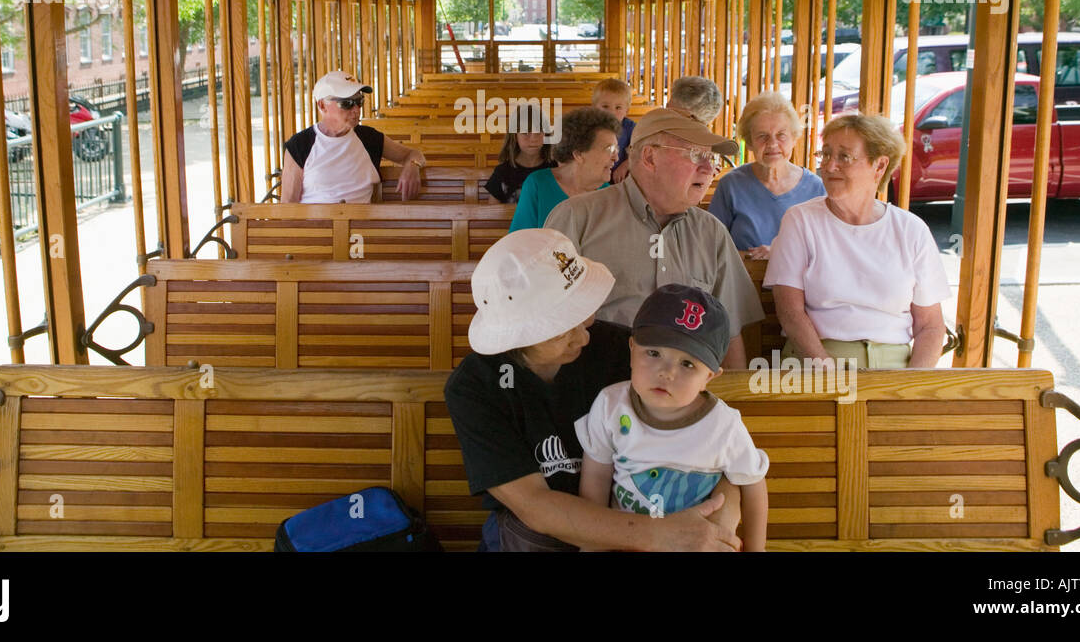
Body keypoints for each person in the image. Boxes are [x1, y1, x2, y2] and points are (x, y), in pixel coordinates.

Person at [443, 228, 743, 552]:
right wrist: (661, 536)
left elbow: (715, 442)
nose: (584, 337)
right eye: (562, 330)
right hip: (536, 540)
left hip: (642, 522)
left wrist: (718, 528)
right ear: (518, 336)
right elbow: (534, 505)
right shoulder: (476, 387)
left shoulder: (626, 352)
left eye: (583, 317)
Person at [545, 108, 763, 368]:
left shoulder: (712, 233)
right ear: (650, 157)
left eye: (712, 157)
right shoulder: (577, 217)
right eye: (697, 155)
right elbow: (546, 324)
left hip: (684, 392)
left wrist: (730, 402)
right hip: (594, 387)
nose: (710, 169)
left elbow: (729, 332)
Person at [576, 284, 769, 550]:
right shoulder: (610, 406)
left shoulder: (723, 425)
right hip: (627, 542)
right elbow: (596, 479)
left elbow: (753, 485)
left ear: (709, 377)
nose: (666, 372)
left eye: (687, 364)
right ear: (632, 349)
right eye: (653, 353)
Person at [764, 114, 949, 369]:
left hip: (894, 368)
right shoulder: (800, 221)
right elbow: (790, 313)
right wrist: (827, 370)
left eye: (844, 157)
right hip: (814, 362)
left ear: (880, 166)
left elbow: (930, 325)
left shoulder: (911, 230)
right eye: (826, 154)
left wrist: (911, 388)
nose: (829, 167)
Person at [708, 91, 824, 260]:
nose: (772, 144)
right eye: (762, 136)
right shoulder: (731, 185)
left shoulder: (816, 187)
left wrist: (780, 253)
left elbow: (826, 251)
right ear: (749, 143)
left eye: (781, 135)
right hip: (743, 282)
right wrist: (753, 257)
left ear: (794, 139)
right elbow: (711, 248)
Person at [280, 70, 426, 203]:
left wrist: (412, 166)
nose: (356, 110)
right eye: (347, 103)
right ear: (322, 105)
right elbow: (288, 208)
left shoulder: (369, 139)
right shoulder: (300, 146)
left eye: (359, 102)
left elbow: (414, 154)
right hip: (315, 230)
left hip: (360, 230)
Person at [509, 108, 617, 232]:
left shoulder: (607, 194)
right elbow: (519, 242)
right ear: (579, 154)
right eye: (609, 149)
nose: (616, 157)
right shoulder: (538, 184)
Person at [484, 104, 556, 204]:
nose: (533, 139)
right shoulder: (502, 172)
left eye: (539, 131)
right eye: (525, 132)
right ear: (514, 136)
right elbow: (492, 216)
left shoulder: (556, 168)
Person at [592, 78, 635, 183]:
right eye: (605, 106)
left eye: (618, 107)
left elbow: (637, 151)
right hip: (594, 175)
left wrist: (626, 164)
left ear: (626, 111)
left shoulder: (630, 128)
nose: (611, 112)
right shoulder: (589, 126)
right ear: (594, 107)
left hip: (619, 178)